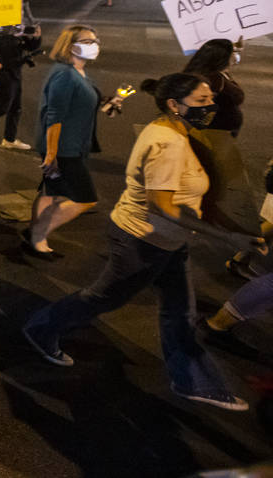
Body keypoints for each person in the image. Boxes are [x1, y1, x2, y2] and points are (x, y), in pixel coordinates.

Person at [23, 73, 264, 412]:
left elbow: (194, 199)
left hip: (168, 241)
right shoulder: (168, 144)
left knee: (180, 311)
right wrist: (227, 237)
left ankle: (192, 381)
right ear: (173, 105)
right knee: (103, 297)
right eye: (201, 101)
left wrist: (231, 226)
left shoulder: (181, 132)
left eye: (210, 99)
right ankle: (41, 328)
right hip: (142, 241)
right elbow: (163, 206)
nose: (210, 105)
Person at [25, 24, 123, 257]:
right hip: (63, 148)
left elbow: (80, 101)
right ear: (70, 45)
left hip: (74, 143)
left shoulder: (79, 71)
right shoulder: (65, 75)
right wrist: (51, 154)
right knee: (85, 199)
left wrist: (107, 103)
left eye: (95, 41)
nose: (94, 46)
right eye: (87, 41)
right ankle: (37, 234)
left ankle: (34, 234)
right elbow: (54, 115)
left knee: (52, 192)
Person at [182, 38, 265, 280]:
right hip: (212, 140)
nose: (236, 56)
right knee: (211, 183)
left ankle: (196, 220)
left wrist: (235, 49)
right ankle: (192, 224)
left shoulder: (217, 74)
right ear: (221, 57)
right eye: (232, 53)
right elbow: (197, 112)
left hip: (220, 138)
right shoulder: (211, 80)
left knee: (212, 183)